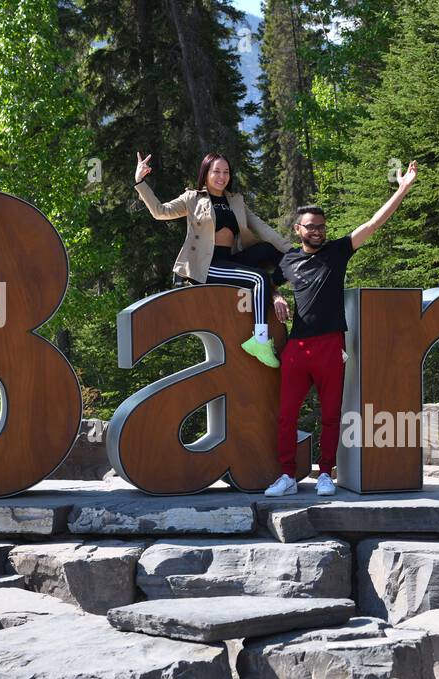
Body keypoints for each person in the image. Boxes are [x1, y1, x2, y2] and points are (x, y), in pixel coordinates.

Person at [264, 161, 419, 497]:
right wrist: (276, 295)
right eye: (311, 226)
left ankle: (325, 475)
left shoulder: (338, 251)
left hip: (331, 346)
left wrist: (402, 188)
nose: (318, 230)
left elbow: (374, 223)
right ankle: (287, 476)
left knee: (331, 415)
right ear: (298, 229)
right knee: (286, 416)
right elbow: (268, 282)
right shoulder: (289, 260)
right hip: (297, 348)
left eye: (321, 225)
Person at [133, 150, 292, 368]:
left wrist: (295, 253)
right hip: (205, 267)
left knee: (269, 250)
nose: (221, 176)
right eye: (216, 171)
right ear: (206, 173)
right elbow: (161, 212)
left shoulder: (235, 201)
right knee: (259, 278)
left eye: (226, 172)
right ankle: (260, 339)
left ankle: (294, 284)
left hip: (230, 261)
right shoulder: (193, 198)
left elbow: (262, 228)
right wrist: (140, 181)